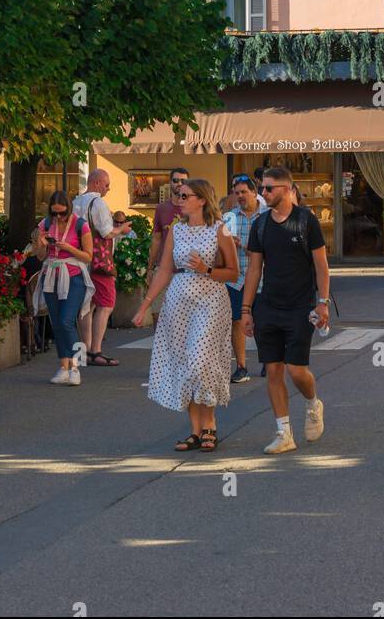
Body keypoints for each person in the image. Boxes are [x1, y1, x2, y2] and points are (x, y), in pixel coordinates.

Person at [133, 178, 237, 452]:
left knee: (201, 360)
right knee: (183, 362)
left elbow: (234, 273)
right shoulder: (177, 231)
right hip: (178, 300)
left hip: (211, 299)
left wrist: (206, 269)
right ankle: (195, 431)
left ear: (201, 199)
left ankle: (210, 423)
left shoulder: (219, 230)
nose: (179, 199)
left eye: (184, 195)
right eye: (178, 195)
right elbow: (165, 270)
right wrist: (145, 306)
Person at [242, 166, 329, 454]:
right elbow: (254, 269)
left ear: (286, 189)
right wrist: (246, 309)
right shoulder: (261, 225)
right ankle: (284, 433)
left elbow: (321, 265)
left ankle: (313, 403)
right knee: (274, 369)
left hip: (300, 306)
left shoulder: (306, 221)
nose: (263, 193)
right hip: (268, 306)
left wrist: (323, 302)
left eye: (268, 188)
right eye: (262, 188)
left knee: (296, 370)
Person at [73, 169, 131, 367]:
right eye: (106, 185)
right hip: (99, 262)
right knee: (106, 304)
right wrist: (122, 229)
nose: (108, 188)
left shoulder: (75, 202)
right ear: (96, 183)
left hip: (80, 260)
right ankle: (96, 350)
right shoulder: (98, 203)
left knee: (86, 305)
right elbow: (106, 233)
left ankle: (84, 351)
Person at [37, 191, 93, 385]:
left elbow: (88, 257)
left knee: (67, 321)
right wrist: (42, 244)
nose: (58, 217)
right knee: (57, 323)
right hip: (51, 275)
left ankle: (77, 366)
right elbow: (39, 256)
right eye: (54, 213)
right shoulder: (45, 224)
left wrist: (68, 248)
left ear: (69, 210)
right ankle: (64, 367)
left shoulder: (80, 225)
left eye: (62, 213)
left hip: (74, 276)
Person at [222, 174, 266, 383]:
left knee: (264, 320)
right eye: (236, 192)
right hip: (237, 278)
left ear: (254, 192)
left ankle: (268, 360)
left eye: (243, 192)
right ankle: (241, 366)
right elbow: (218, 248)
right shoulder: (229, 217)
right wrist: (227, 243)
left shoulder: (267, 215)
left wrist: (254, 249)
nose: (239, 196)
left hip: (263, 277)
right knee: (237, 321)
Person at [146, 167, 189, 327]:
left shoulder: (194, 208)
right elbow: (156, 239)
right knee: (158, 314)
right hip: (163, 267)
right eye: (176, 180)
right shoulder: (162, 208)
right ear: (170, 183)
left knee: (183, 317)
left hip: (186, 270)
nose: (179, 184)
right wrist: (150, 268)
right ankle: (162, 349)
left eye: (183, 181)